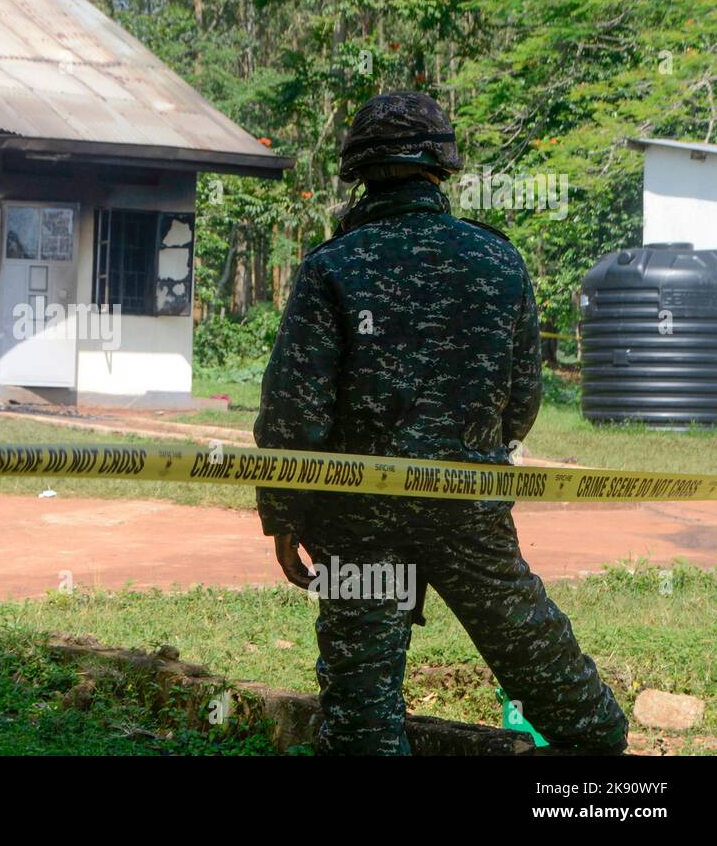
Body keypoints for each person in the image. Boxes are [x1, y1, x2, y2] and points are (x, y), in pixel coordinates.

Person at [254, 90, 628, 755]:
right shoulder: (499, 261)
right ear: (442, 168)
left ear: (360, 172)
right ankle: (600, 754)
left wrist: (283, 515)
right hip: (469, 508)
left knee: (362, 712)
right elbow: (521, 400)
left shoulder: (332, 267)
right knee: (542, 663)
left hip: (357, 517)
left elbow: (294, 413)